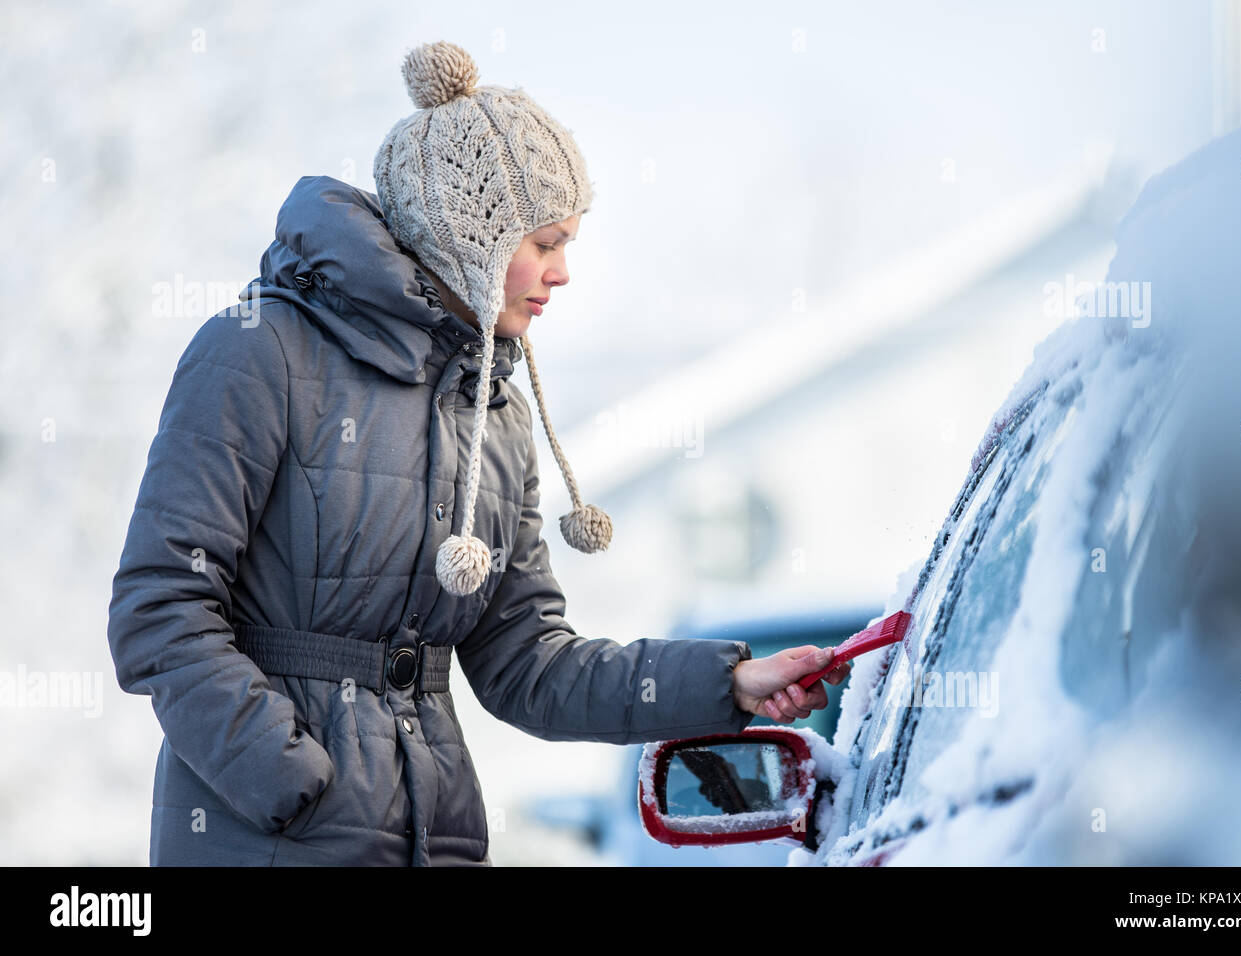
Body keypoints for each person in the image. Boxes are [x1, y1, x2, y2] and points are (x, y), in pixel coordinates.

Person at [106, 39, 849, 867]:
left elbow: (529, 664)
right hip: (268, 840)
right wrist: (290, 781)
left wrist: (727, 684)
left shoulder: (495, 413)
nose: (562, 273)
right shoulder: (262, 352)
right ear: (469, 235)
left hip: (438, 839)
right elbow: (160, 608)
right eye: (544, 242)